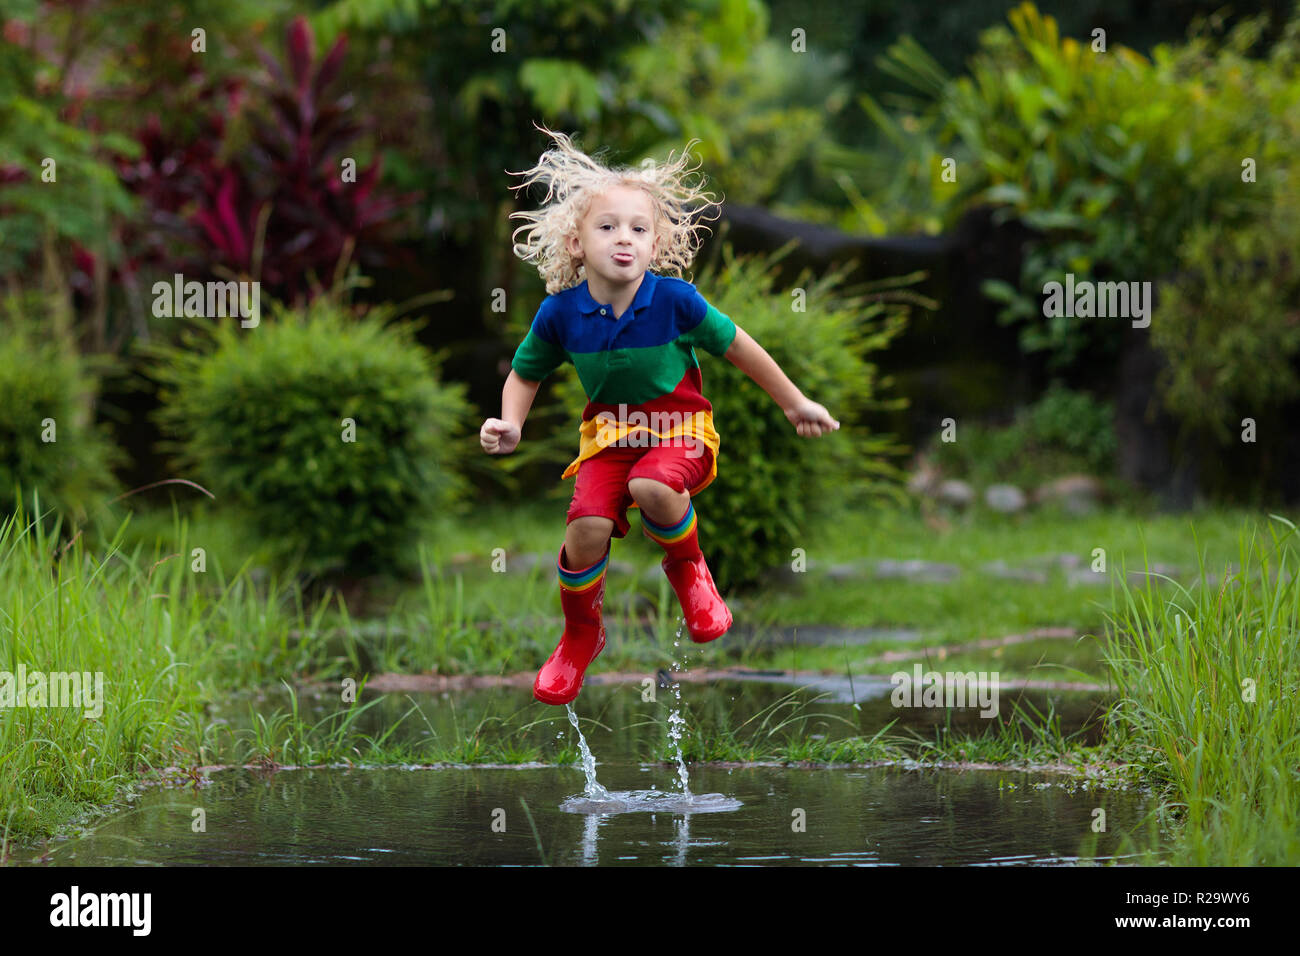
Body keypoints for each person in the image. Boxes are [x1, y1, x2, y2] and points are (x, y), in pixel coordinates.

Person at [480, 123, 839, 705]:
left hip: (682, 433)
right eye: (607, 227)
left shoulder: (675, 301)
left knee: (652, 484)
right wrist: (510, 423)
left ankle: (693, 575)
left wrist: (794, 402)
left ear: (654, 245)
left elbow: (740, 347)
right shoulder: (559, 313)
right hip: (608, 441)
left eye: (638, 229)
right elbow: (526, 372)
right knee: (585, 528)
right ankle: (579, 636)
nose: (624, 238)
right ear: (576, 243)